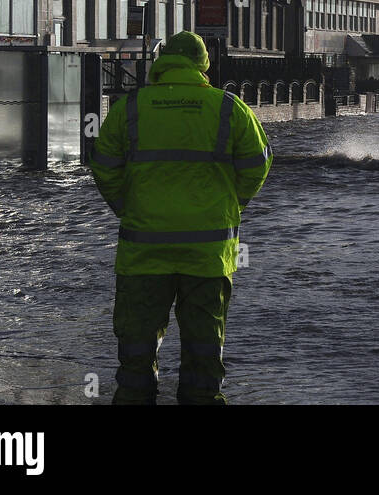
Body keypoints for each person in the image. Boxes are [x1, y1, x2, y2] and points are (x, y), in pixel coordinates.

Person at [90, 31, 272, 405]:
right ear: (203, 65)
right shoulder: (228, 107)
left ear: (163, 62)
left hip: (143, 254)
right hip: (207, 255)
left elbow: (104, 165)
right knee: (204, 355)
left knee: (136, 358)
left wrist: (128, 206)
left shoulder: (131, 107)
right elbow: (258, 163)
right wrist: (231, 203)